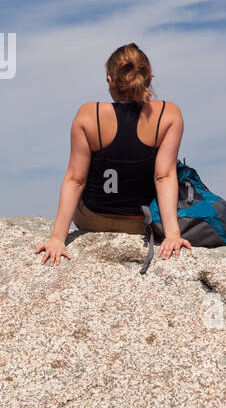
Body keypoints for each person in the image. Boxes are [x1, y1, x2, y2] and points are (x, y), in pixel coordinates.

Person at [36, 43, 192, 266]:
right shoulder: (169, 114)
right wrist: (172, 235)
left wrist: (57, 239)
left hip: (93, 218)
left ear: (110, 80)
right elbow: (164, 176)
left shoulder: (89, 115)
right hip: (140, 222)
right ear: (149, 79)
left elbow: (75, 179)